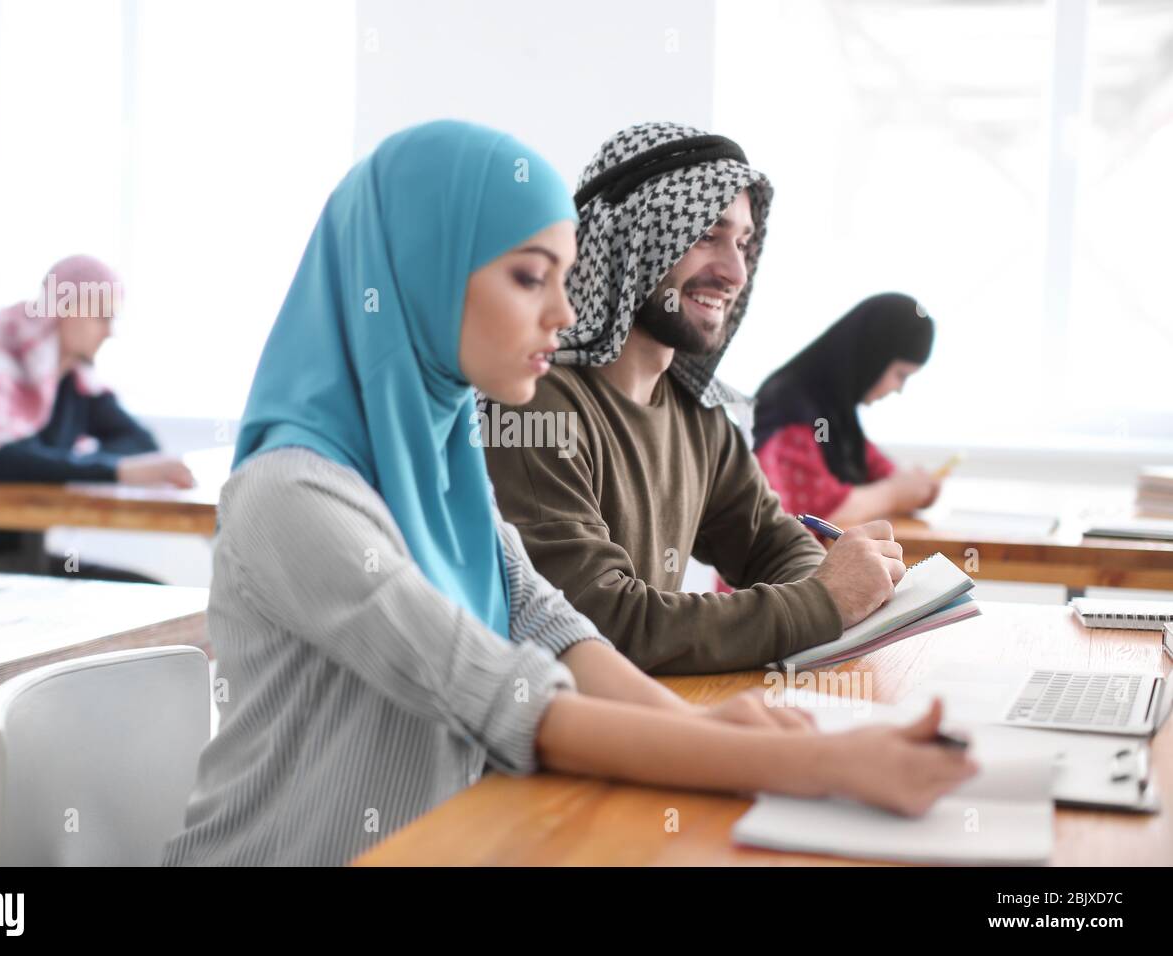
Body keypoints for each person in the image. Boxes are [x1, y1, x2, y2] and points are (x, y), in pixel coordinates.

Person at [161, 120, 974, 867]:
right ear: (418, 274)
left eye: (563, 276)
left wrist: (696, 727)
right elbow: (506, 697)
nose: (564, 309)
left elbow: (553, 628)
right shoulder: (292, 496)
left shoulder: (445, 472)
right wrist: (815, 762)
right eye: (529, 278)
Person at [482, 122, 903, 675]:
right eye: (707, 233)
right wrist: (824, 601)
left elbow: (774, 546)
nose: (734, 271)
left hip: (653, 722)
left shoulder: (699, 416)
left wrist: (833, 583)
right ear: (630, 240)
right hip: (555, 748)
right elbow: (604, 623)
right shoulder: (534, 408)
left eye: (744, 243)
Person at [0, 254, 195, 822]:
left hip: (17, 557)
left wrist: (87, 458)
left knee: (156, 601)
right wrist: (107, 468)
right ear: (72, 309)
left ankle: (99, 767)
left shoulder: (73, 379)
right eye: (104, 316)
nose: (111, 330)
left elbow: (139, 442)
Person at [753, 293, 939, 529]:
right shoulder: (789, 406)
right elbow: (813, 517)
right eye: (900, 375)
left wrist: (919, 489)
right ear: (875, 356)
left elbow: (880, 470)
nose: (898, 389)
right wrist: (895, 493)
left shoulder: (835, 413)